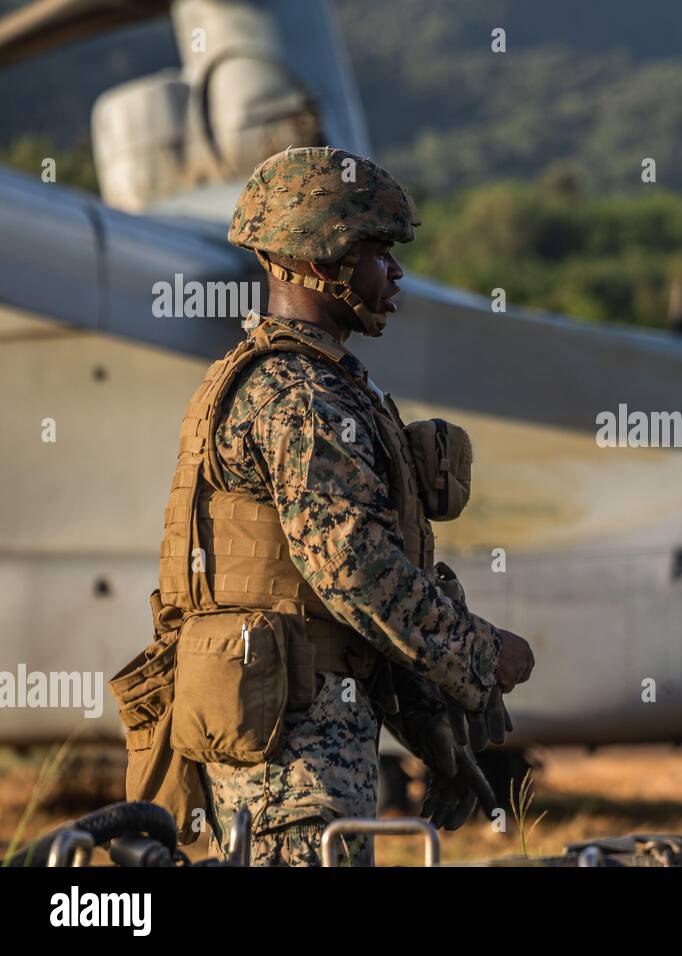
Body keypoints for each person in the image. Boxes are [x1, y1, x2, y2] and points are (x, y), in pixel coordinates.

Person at [150, 145, 533, 866]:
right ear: (323, 261)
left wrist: (432, 732)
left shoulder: (317, 385)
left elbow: (330, 605)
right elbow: (353, 571)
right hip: (291, 763)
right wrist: (481, 654)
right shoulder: (301, 397)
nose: (395, 275)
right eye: (377, 254)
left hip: (299, 741)